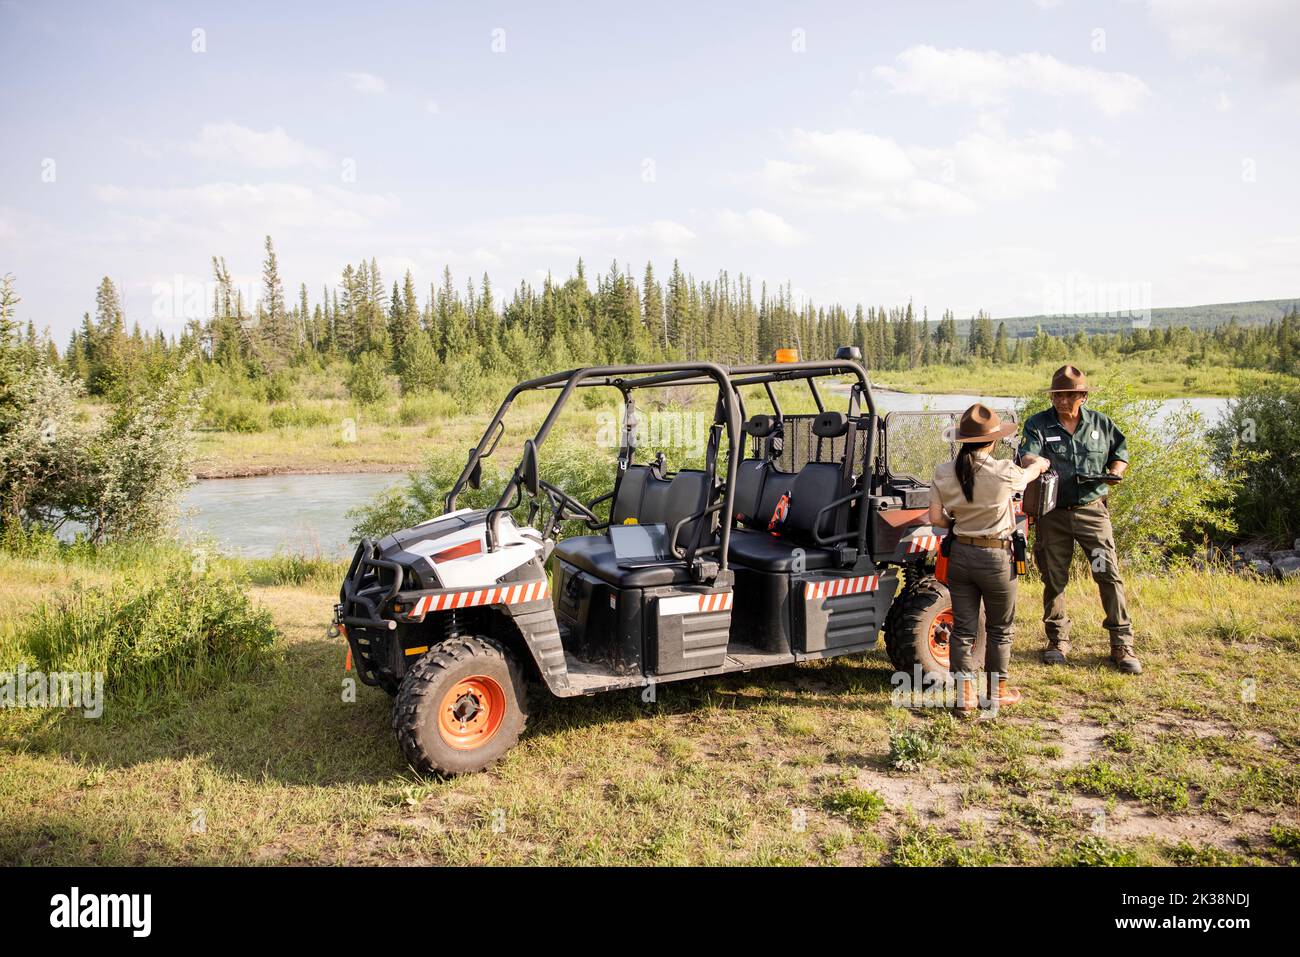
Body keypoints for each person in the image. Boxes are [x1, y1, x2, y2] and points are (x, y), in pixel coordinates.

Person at [1018, 364, 1142, 674]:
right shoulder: (1038, 424)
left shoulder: (1101, 424)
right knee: (1054, 577)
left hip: (1092, 512)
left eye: (1067, 395)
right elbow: (1026, 455)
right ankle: (1057, 641)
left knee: (1108, 574)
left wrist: (1115, 472)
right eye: (1057, 394)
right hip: (1053, 514)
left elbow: (1121, 452)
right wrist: (1037, 462)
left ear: (1083, 396)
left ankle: (1121, 644)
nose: (1060, 400)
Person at [929, 403, 1050, 719]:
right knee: (999, 629)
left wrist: (959, 522)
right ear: (993, 441)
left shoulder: (943, 472)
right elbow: (1031, 474)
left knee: (963, 631)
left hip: (960, 556)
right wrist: (1039, 462)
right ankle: (996, 692)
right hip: (996, 557)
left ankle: (964, 696)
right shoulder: (1004, 472)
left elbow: (936, 519)